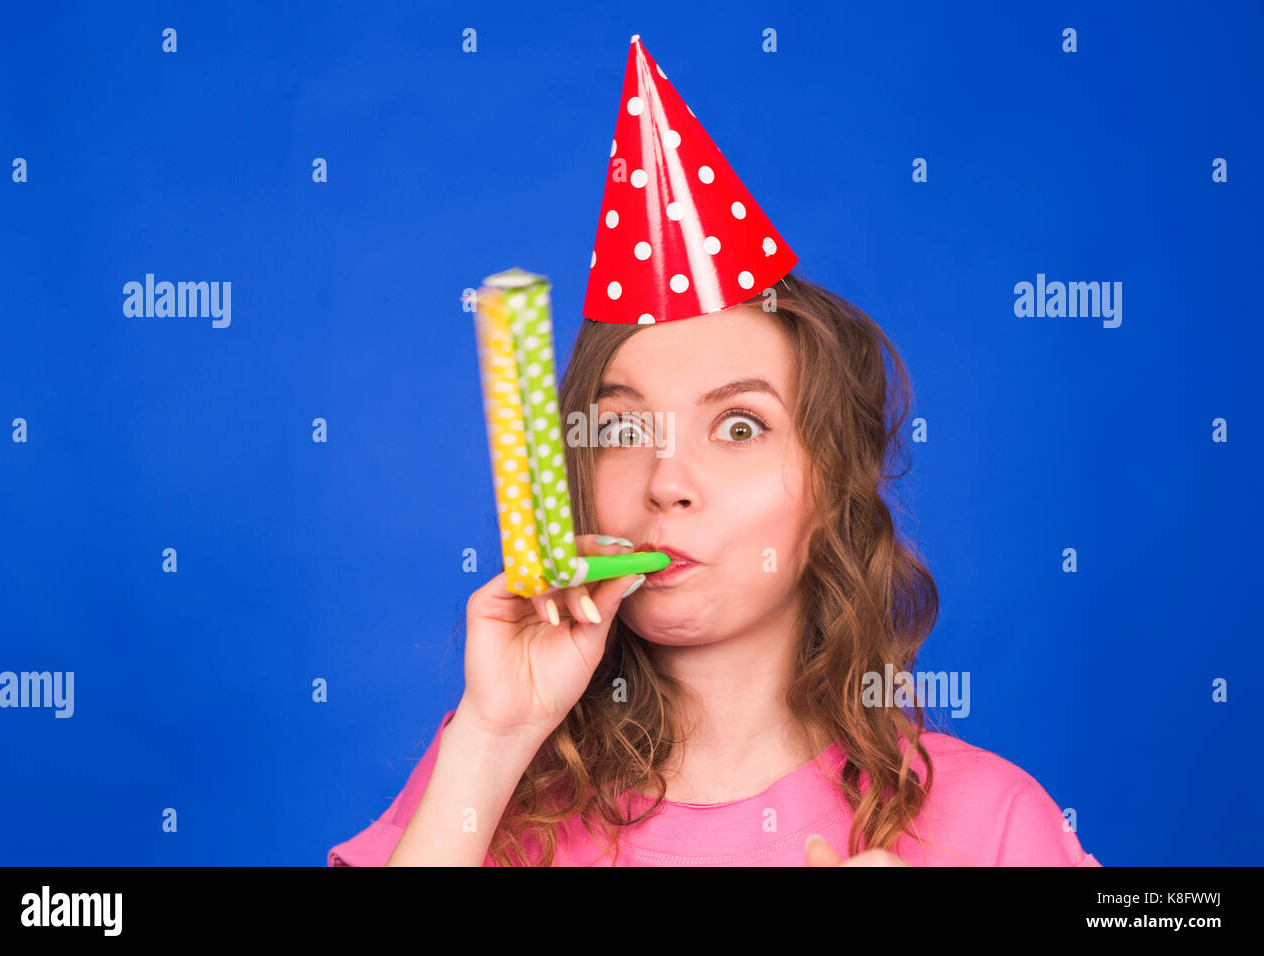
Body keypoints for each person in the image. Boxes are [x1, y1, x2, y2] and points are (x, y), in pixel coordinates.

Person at [329, 36, 1102, 866]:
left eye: (739, 426)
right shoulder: (482, 785)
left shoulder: (990, 821)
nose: (666, 483)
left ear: (833, 485)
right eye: (623, 429)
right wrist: (495, 735)